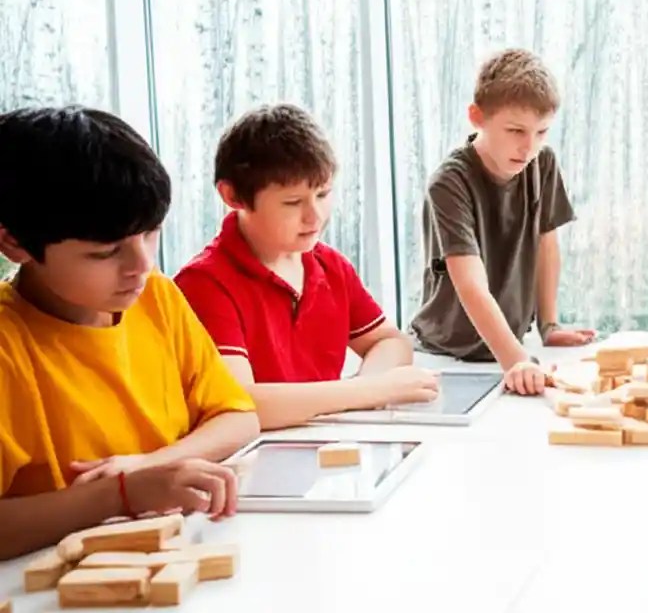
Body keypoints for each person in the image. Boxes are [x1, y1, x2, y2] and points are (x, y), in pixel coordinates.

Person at [0, 107, 259, 560]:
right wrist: (121, 493)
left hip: (176, 557)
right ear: (14, 243)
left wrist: (148, 469)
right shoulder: (9, 345)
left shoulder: (157, 298)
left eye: (151, 233)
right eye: (105, 252)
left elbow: (239, 417)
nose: (141, 265)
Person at [175, 104, 439, 431]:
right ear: (233, 196)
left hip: (327, 447)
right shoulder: (205, 282)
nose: (315, 216)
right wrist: (365, 391)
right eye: (293, 202)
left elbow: (391, 342)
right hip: (253, 465)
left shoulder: (328, 265)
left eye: (323, 194)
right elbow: (240, 403)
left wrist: (362, 395)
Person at [409, 49, 595, 395]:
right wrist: (517, 361)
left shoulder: (542, 163)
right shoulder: (449, 183)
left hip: (512, 347)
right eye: (515, 131)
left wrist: (548, 325)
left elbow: (545, 244)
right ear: (477, 117)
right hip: (448, 353)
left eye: (541, 132)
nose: (529, 148)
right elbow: (470, 283)